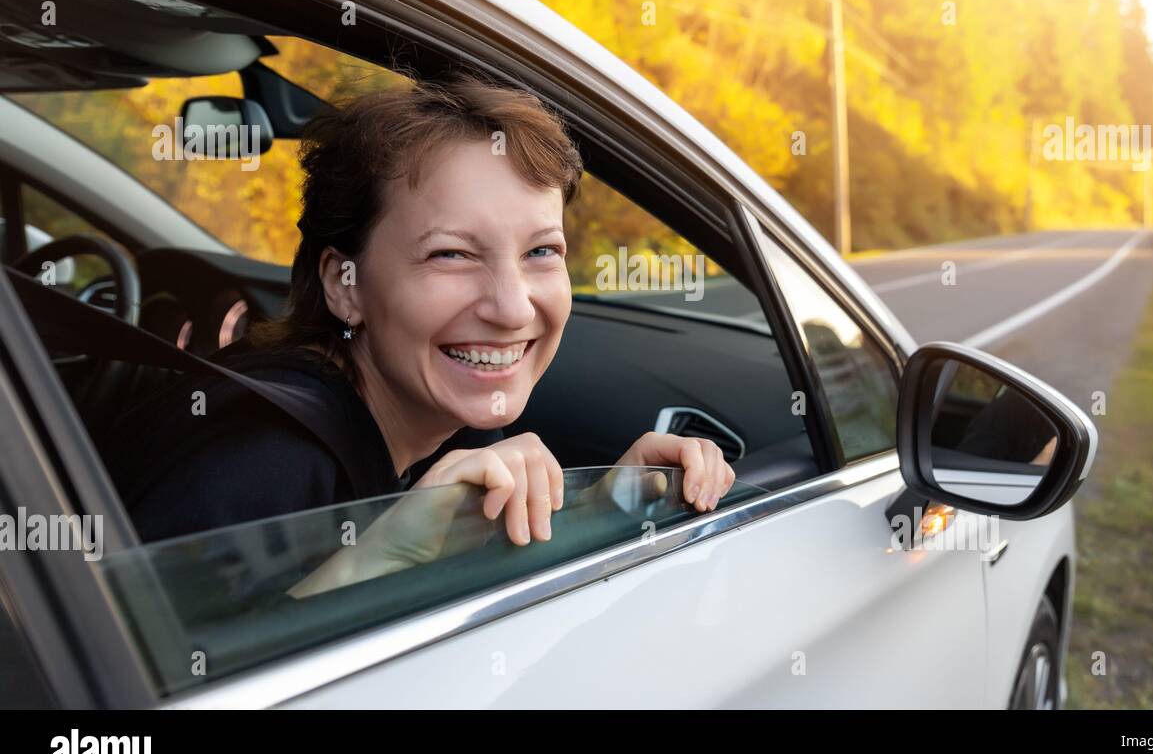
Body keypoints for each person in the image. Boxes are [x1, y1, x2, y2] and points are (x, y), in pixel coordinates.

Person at [105, 74, 734, 588]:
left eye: (541, 252)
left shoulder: (437, 423)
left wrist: (600, 508)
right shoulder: (262, 464)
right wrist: (375, 561)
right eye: (451, 255)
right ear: (344, 283)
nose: (512, 308)